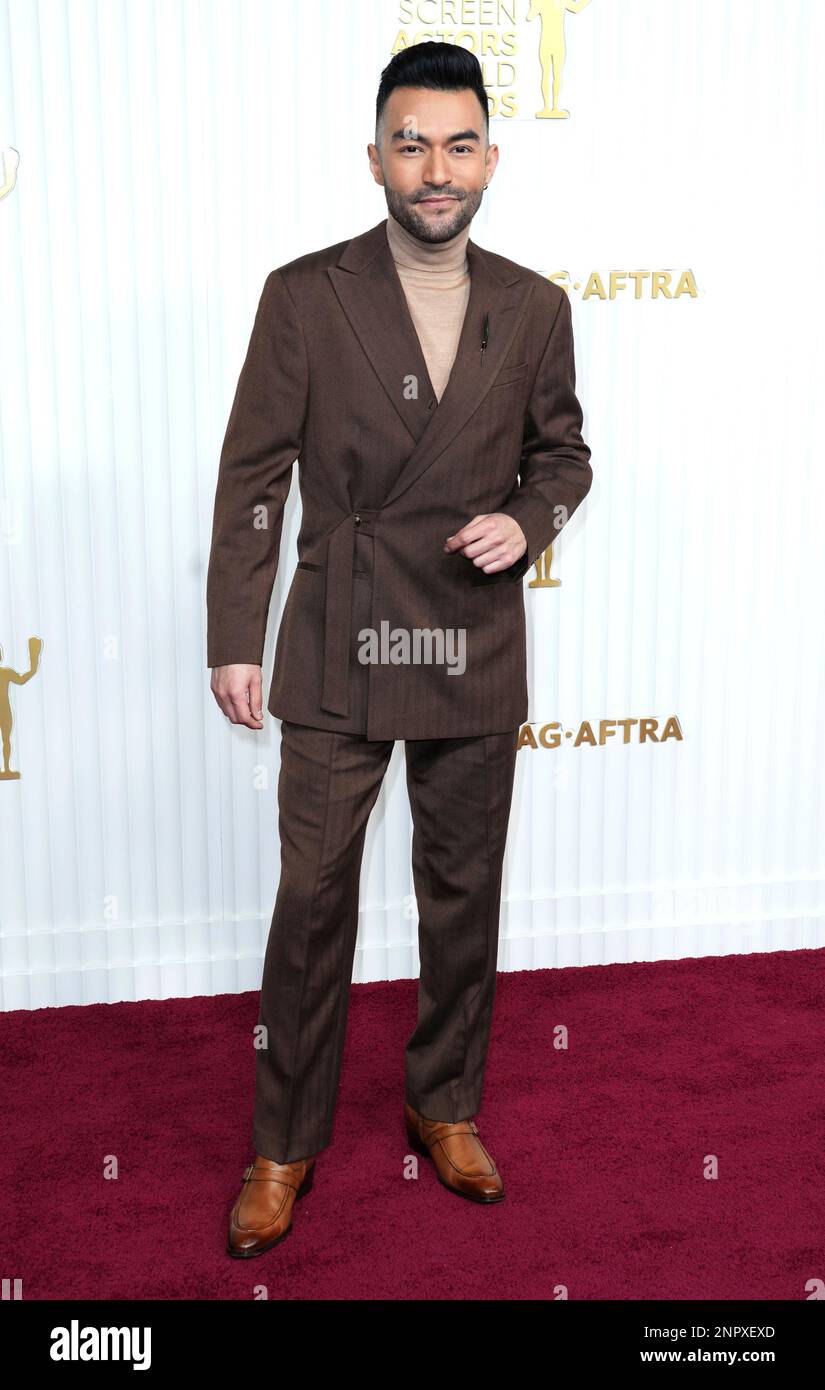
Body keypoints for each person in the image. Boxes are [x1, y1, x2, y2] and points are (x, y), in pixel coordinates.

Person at [206, 40, 592, 1258]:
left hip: (472, 637)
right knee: (311, 903)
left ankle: (445, 1104)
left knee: (464, 894)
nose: (437, 168)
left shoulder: (535, 305)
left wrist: (526, 521)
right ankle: (284, 1143)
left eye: (460, 143)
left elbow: (565, 457)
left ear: (491, 158)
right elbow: (253, 476)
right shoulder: (304, 293)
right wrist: (235, 634)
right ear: (374, 155)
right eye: (413, 142)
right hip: (337, 640)